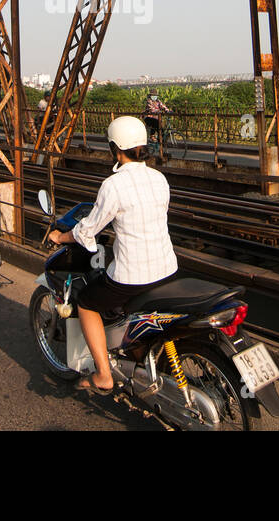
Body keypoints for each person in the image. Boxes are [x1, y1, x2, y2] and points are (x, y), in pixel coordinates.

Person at [46, 116, 177, 395]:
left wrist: (61, 236)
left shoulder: (113, 185)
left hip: (133, 276)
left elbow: (87, 230)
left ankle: (104, 375)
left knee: (87, 302)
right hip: (168, 269)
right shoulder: (159, 178)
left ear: (115, 149)